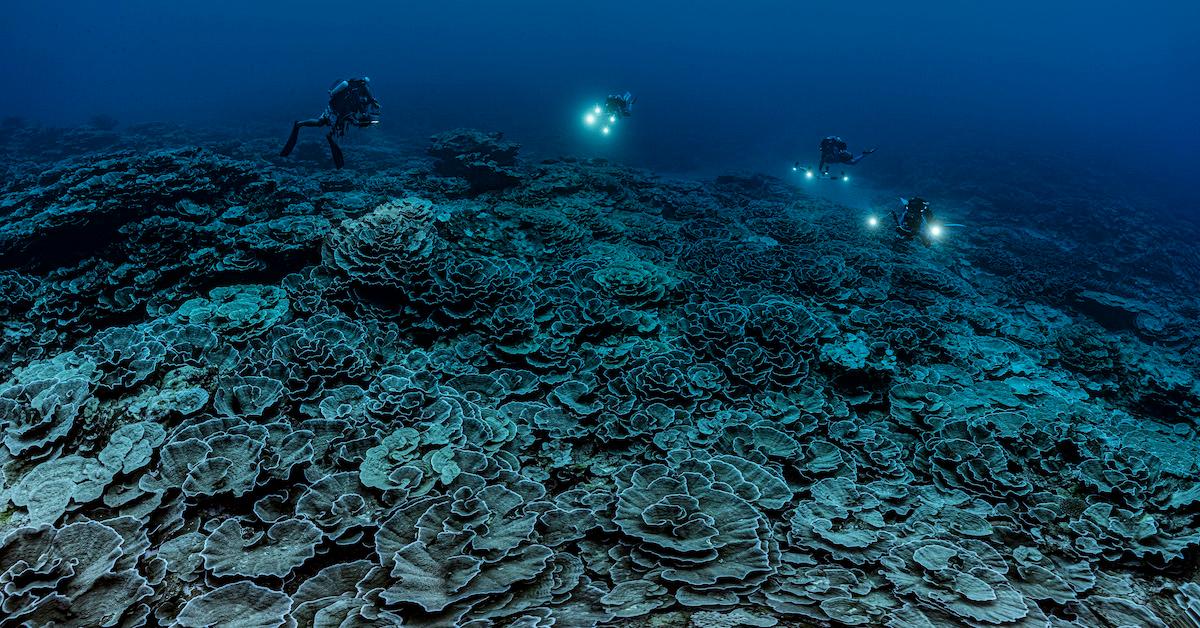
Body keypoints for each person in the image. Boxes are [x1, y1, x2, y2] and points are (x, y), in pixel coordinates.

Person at [280, 77, 381, 168]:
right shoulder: (354, 97)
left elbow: (359, 110)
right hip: (336, 110)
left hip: (337, 110)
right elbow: (348, 115)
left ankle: (301, 125)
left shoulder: (364, 95)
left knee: (322, 123)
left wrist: (364, 116)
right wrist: (358, 121)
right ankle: (301, 125)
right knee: (323, 124)